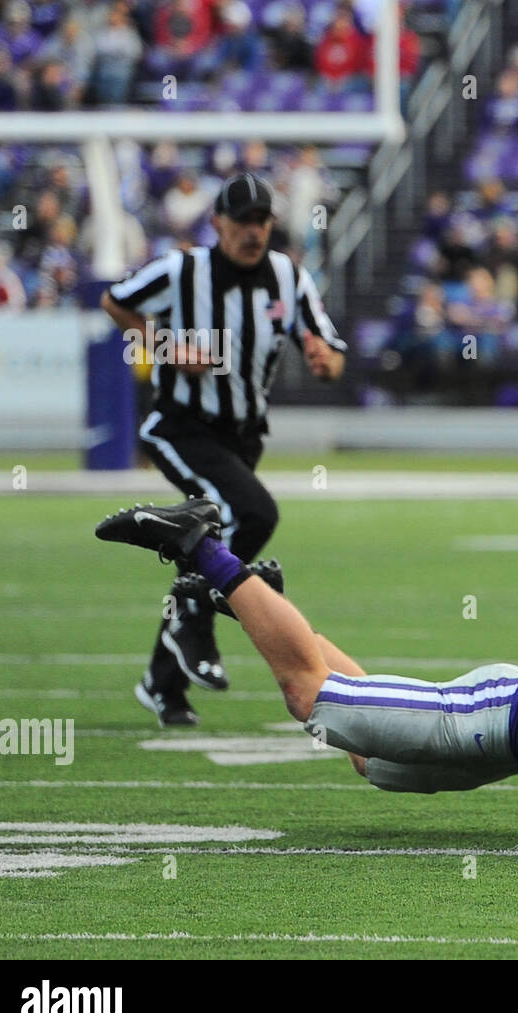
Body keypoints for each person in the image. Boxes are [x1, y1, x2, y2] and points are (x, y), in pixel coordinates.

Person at [95, 505, 518, 848]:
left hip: (516, 754)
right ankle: (206, 549)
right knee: (309, 697)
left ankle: (259, 599)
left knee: (369, 761)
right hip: (493, 711)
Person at [100, 173, 347, 727]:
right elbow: (115, 302)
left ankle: (161, 683)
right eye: (242, 222)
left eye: (262, 222)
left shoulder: (288, 276)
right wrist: (163, 345)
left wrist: (326, 362)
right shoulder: (182, 269)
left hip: (242, 438)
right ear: (218, 225)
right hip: (180, 425)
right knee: (252, 513)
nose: (253, 232)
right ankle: (192, 614)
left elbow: (331, 350)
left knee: (204, 536)